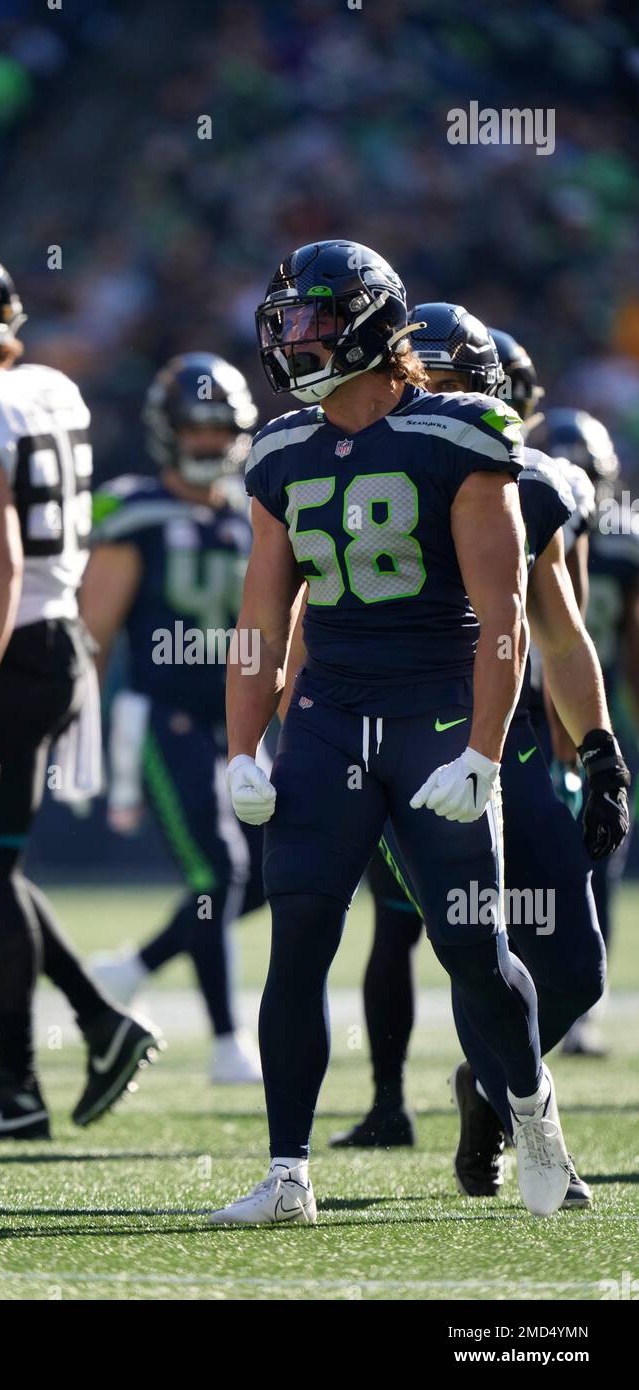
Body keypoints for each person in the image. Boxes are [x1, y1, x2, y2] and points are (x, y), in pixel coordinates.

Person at [209, 240, 572, 1225]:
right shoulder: (279, 450)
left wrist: (485, 753)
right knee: (298, 942)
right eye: (285, 318)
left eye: (313, 317)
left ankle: (534, 1120)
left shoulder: (460, 432)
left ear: (370, 322)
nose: (292, 335)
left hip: (435, 712)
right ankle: (288, 1171)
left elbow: (502, 616)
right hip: (327, 717)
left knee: (473, 948)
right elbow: (260, 620)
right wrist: (243, 745)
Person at [327, 308, 629, 1209]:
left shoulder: (530, 483)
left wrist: (601, 751)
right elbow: (294, 621)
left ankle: (488, 1087)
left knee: (577, 967)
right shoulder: (345, 468)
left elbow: (561, 635)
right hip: (404, 738)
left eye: (461, 390)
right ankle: (461, 1121)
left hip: (520, 744)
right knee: (472, 941)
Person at [0, 246, 160, 1140]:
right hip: (55, 643)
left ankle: (18, 1089)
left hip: (15, 650)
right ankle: (98, 1018)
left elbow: (0, 559)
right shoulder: (50, 387)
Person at [80, 353, 265, 1083]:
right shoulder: (133, 509)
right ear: (167, 431)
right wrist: (76, 734)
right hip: (163, 718)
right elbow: (92, 635)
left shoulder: (254, 514)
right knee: (218, 870)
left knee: (279, 870)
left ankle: (133, 968)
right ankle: (227, 1043)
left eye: (221, 425)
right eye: (195, 425)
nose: (210, 439)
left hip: (238, 724)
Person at [529, 408, 639, 1055]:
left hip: (585, 713)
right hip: (527, 715)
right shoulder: (520, 520)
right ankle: (538, 994)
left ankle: (579, 1004)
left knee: (601, 853)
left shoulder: (620, 545)